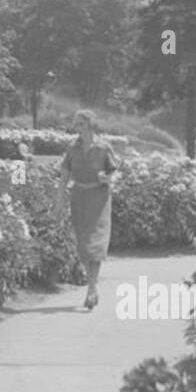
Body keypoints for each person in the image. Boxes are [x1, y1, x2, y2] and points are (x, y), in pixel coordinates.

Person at [57, 110, 118, 309]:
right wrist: (60, 198)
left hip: (99, 198)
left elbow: (114, 172)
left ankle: (92, 289)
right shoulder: (72, 148)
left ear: (91, 125)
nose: (78, 127)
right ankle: (92, 285)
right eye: (77, 123)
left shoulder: (103, 147)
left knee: (95, 243)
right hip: (79, 197)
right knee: (82, 244)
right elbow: (65, 173)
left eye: (82, 123)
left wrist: (106, 178)